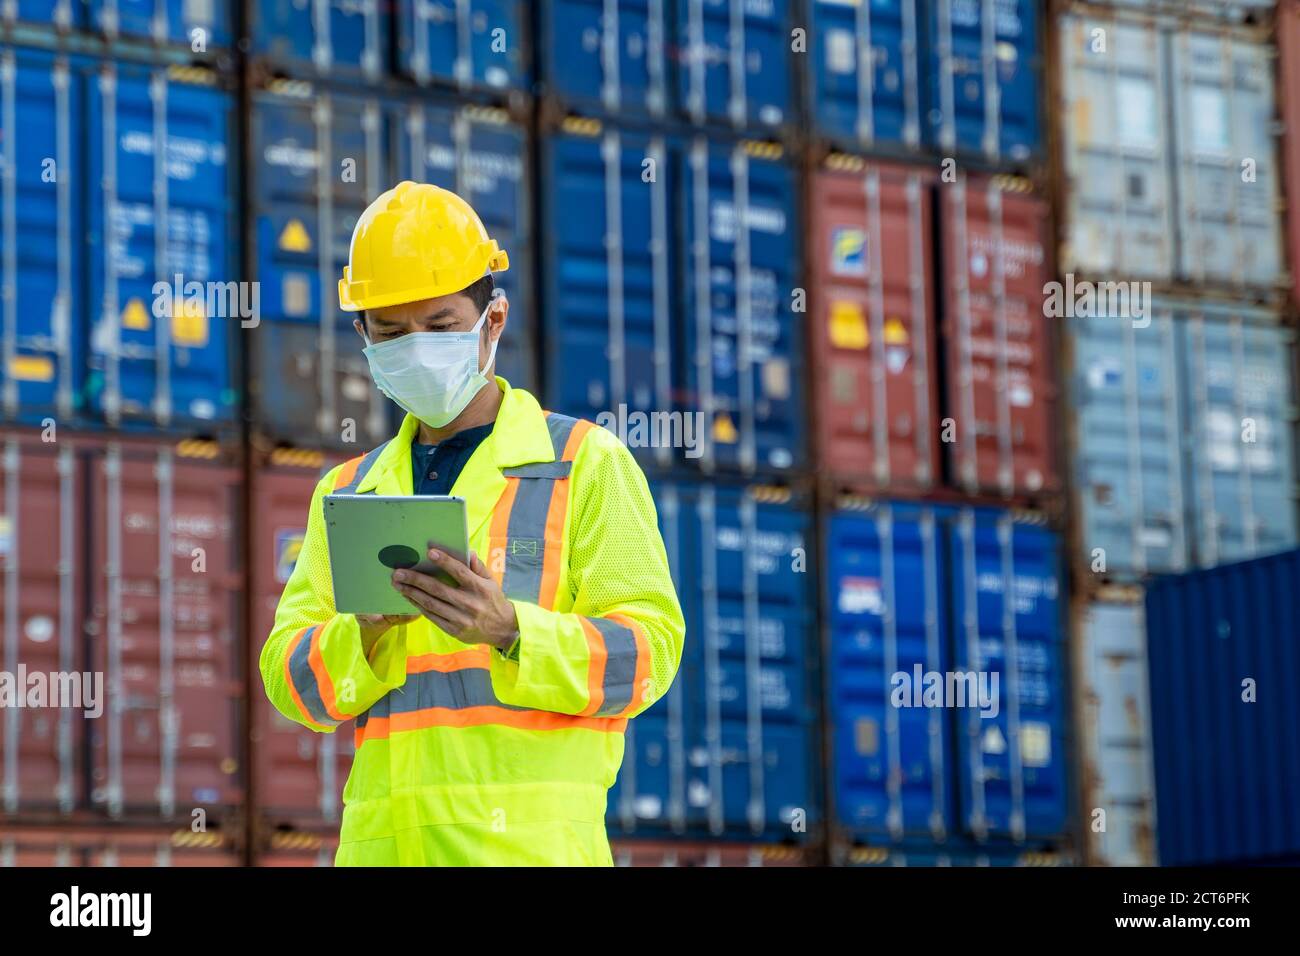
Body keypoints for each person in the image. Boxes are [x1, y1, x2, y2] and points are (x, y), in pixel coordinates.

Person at [260, 181, 685, 866]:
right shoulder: (348, 490)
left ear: (493, 319)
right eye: (393, 332)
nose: (417, 347)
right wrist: (362, 638)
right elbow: (288, 680)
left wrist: (514, 632)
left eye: (441, 324)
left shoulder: (583, 464)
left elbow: (651, 656)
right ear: (362, 336)